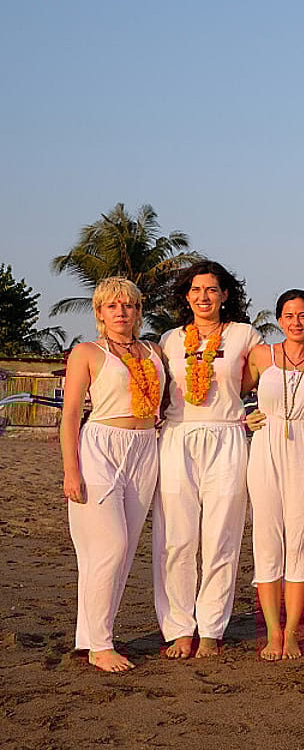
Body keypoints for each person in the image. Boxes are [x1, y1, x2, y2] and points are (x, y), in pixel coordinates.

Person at [153, 260, 263, 659]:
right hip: (177, 435)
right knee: (176, 538)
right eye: (196, 290)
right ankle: (180, 627)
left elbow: (269, 370)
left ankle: (212, 627)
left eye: (212, 289)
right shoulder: (169, 340)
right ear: (186, 297)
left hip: (227, 435)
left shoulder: (243, 334)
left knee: (221, 537)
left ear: (225, 295)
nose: (204, 297)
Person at [60, 278, 166, 671]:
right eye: (112, 306)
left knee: (120, 552)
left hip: (145, 449)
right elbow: (71, 414)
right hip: (101, 448)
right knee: (111, 546)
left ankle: (88, 638)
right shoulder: (87, 352)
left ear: (138, 312)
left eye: (129, 305)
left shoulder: (154, 351)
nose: (121, 312)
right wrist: (71, 470)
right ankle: (102, 645)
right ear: (100, 313)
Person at [244, 290, 304, 660]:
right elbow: (230, 394)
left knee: (301, 540)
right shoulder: (261, 355)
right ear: (279, 319)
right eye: (288, 315)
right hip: (266, 446)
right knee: (267, 538)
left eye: (302, 315)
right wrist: (245, 416)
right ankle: (273, 632)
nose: (295, 321)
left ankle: (292, 632)